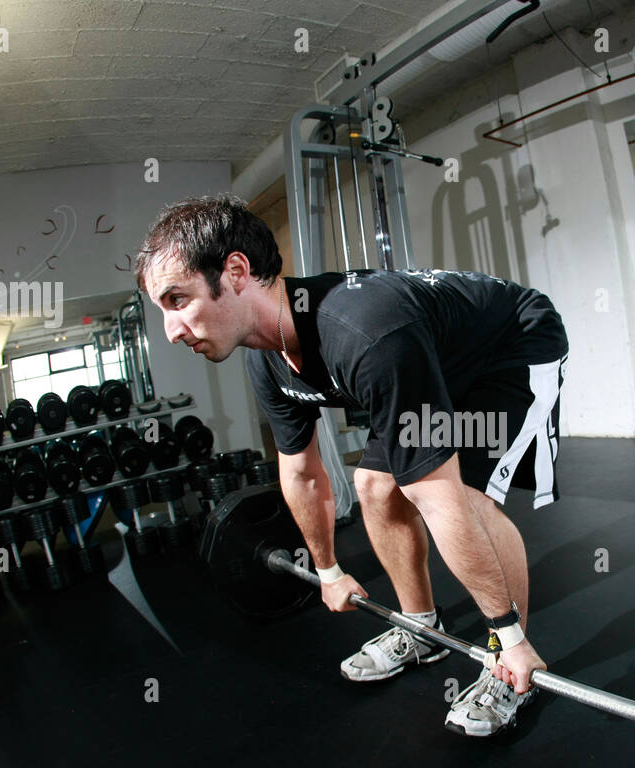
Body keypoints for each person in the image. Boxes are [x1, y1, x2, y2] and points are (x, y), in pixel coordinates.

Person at [135, 195, 569, 736]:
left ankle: (509, 663)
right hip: (432, 358)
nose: (172, 330)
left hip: (510, 346)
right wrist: (327, 570)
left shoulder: (365, 334)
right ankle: (421, 627)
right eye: (162, 310)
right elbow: (299, 470)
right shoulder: (265, 362)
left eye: (178, 299)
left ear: (236, 272)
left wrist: (510, 637)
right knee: (374, 484)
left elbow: (437, 495)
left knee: (466, 497)